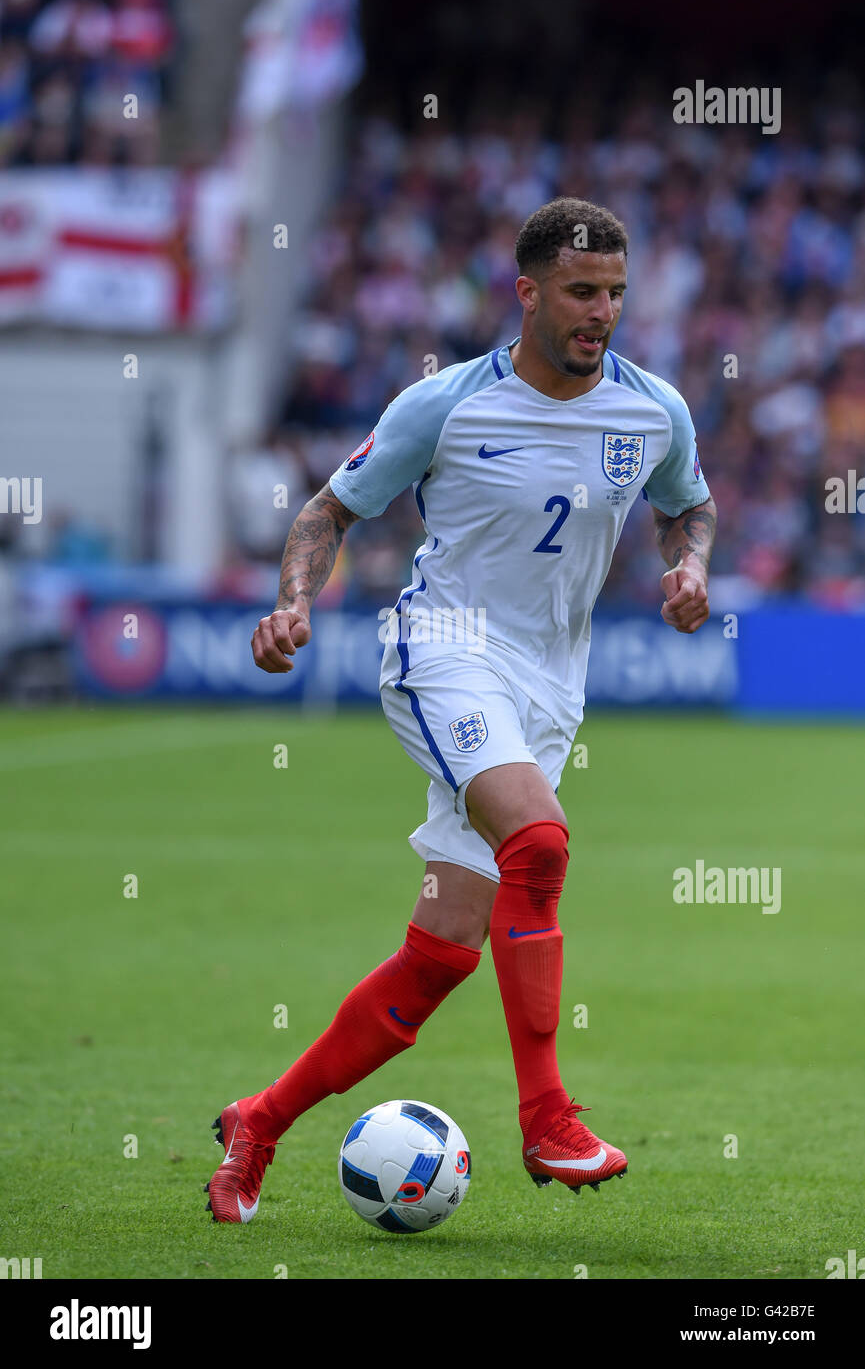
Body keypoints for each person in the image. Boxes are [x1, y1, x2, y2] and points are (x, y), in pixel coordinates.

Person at [205, 197, 717, 1223]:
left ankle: (259, 1119)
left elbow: (687, 502)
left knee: (440, 953)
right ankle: (548, 1118)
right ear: (525, 293)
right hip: (444, 650)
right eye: (580, 292)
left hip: (548, 689)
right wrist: (293, 602)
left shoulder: (652, 409)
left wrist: (689, 565)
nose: (600, 313)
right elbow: (329, 510)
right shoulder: (442, 404)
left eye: (614, 293)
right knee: (539, 840)